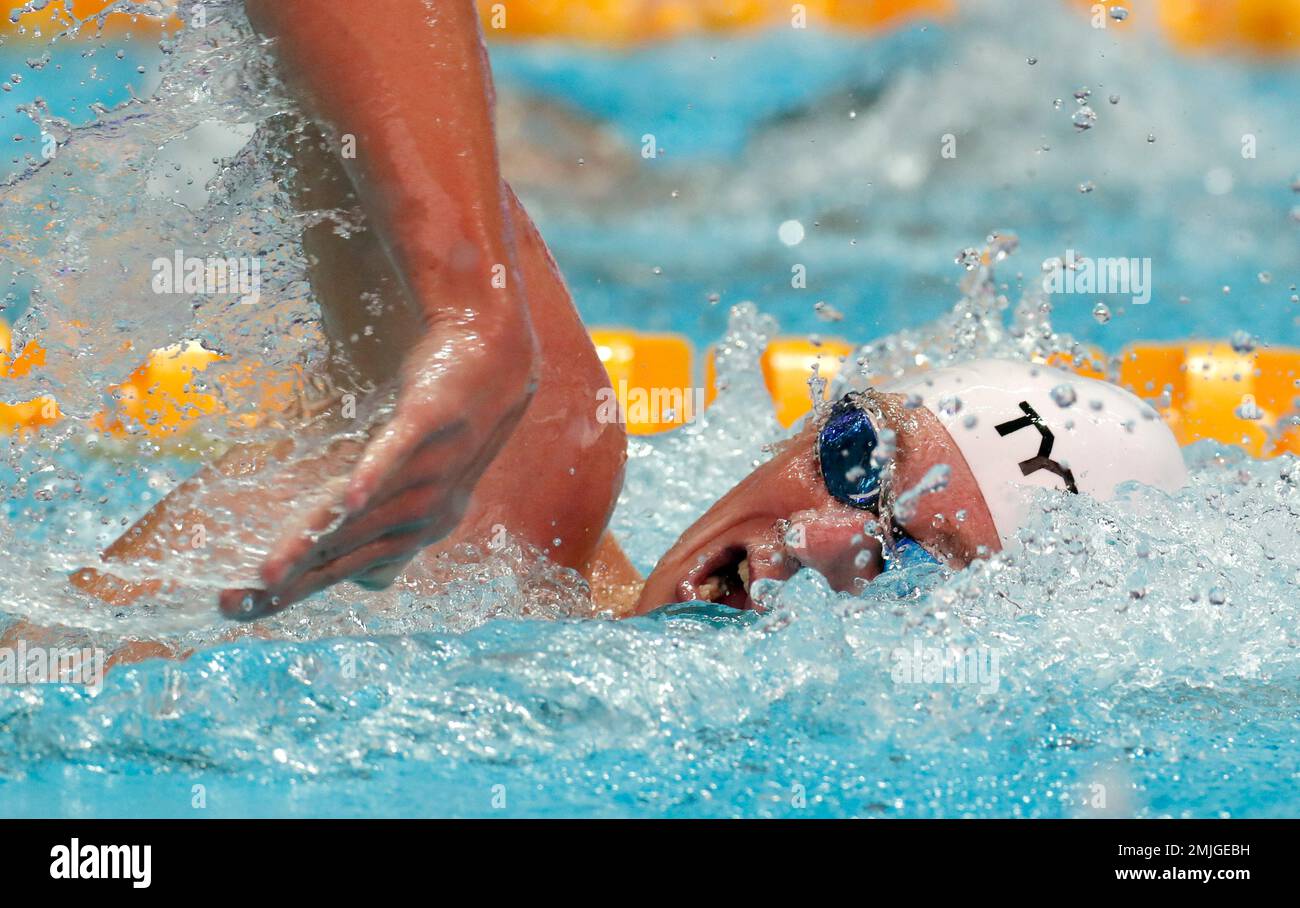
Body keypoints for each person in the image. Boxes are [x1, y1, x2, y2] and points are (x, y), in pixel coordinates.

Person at [63, 0, 1189, 631]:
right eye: (856, 456)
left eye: (913, 565)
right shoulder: (520, 470)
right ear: (804, 426)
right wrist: (465, 294)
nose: (827, 537)